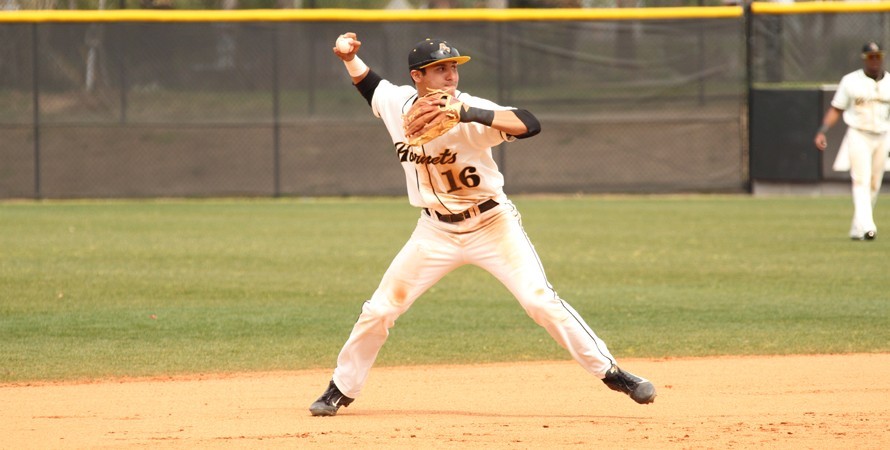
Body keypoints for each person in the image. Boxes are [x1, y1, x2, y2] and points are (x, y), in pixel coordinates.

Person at [309, 33, 656, 417]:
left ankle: (612, 372)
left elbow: (529, 122)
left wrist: (468, 114)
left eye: (454, 67)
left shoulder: (471, 109)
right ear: (417, 76)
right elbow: (371, 86)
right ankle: (341, 388)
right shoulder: (398, 104)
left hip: (492, 224)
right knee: (380, 309)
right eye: (440, 69)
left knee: (539, 300)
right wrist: (348, 57)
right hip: (435, 231)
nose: (451, 75)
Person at [814, 41, 890, 241]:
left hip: (882, 135)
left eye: (878, 56)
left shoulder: (889, 82)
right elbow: (836, 108)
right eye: (871, 57)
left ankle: (857, 228)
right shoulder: (851, 81)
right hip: (859, 134)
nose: (875, 61)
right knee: (861, 181)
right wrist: (823, 131)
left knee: (875, 183)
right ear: (864, 58)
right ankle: (867, 226)